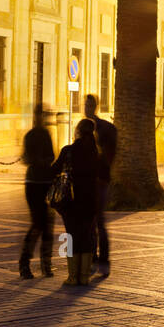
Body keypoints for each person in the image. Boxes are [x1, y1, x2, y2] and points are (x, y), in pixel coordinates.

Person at [51, 118, 100, 286]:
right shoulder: (95, 152)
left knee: (71, 237)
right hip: (90, 201)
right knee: (86, 236)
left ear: (77, 132)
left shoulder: (68, 151)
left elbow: (53, 170)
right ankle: (84, 276)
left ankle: (73, 276)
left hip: (71, 202)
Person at [18, 104, 56, 279]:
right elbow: (26, 157)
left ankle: (46, 265)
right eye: (41, 115)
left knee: (47, 225)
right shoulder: (31, 136)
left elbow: (52, 156)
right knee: (37, 224)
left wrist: (46, 160)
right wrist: (37, 160)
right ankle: (25, 263)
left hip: (46, 182)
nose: (43, 118)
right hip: (34, 182)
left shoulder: (46, 135)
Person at [83, 95, 116, 278]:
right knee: (90, 223)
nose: (86, 107)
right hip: (88, 181)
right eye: (85, 104)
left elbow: (108, 156)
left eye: (89, 104)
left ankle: (103, 260)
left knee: (100, 223)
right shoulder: (84, 128)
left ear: (96, 106)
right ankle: (92, 259)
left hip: (100, 181)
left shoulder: (104, 128)